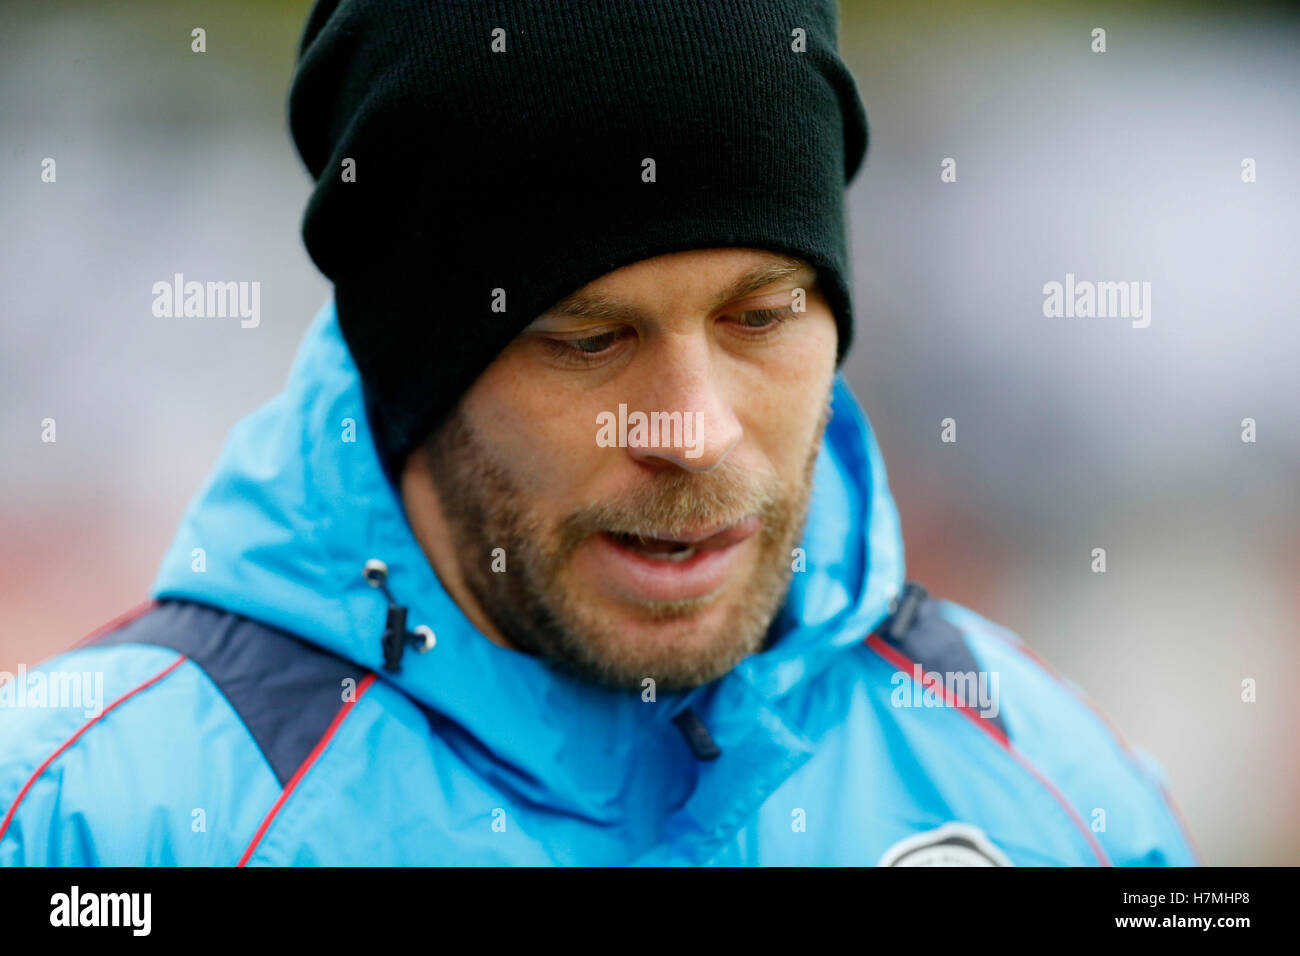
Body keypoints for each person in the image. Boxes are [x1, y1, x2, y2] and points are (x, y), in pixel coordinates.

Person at [0, 0, 1197, 866]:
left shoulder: (1053, 793)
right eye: (588, 337)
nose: (692, 428)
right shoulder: (90, 817)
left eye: (761, 316)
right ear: (414, 365)